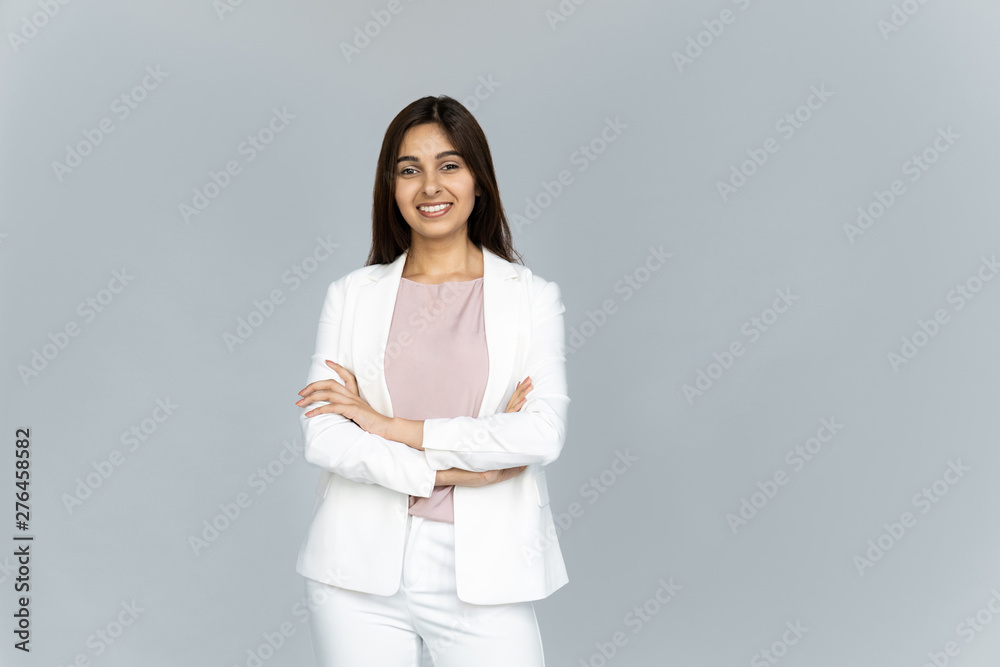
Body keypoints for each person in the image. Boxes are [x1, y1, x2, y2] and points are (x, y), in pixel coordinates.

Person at [293, 95, 570, 666]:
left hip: (487, 571)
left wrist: (386, 426)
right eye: (408, 170)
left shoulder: (532, 299)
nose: (429, 187)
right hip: (357, 573)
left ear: (478, 180)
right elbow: (325, 437)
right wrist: (444, 470)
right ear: (390, 188)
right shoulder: (351, 296)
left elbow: (541, 435)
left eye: (449, 165)